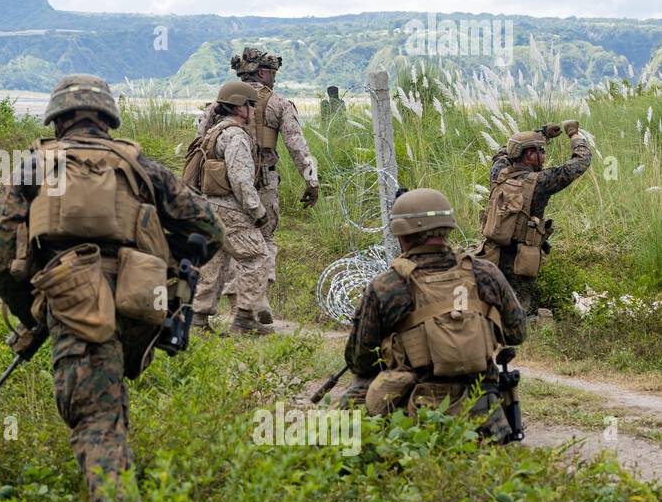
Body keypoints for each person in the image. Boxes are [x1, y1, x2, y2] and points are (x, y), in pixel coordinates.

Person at [0, 74, 223, 502]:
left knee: (94, 417)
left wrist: (33, 310)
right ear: (108, 119)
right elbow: (208, 228)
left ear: (57, 120)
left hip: (76, 304)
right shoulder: (140, 166)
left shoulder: (34, 166)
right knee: (108, 407)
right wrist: (168, 271)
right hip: (140, 302)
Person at [335, 188, 527, 441]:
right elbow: (516, 334)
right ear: (447, 226)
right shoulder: (485, 273)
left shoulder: (387, 285)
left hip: (410, 417)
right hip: (483, 417)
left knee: (357, 392)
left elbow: (359, 361)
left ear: (401, 233)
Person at [226, 45, 321, 324]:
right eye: (273, 73)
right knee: (265, 239)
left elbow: (202, 142)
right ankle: (259, 300)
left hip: (228, 185)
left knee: (234, 242)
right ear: (263, 73)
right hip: (264, 182)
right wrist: (311, 181)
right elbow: (297, 146)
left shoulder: (223, 103)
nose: (275, 79)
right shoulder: (279, 104)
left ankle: (238, 306)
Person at [478, 121, 590, 317]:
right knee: (518, 314)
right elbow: (581, 162)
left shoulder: (498, 172)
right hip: (520, 262)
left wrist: (542, 133)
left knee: (492, 305)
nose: (544, 156)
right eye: (541, 151)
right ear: (530, 155)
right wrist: (574, 135)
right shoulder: (540, 182)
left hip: (491, 255)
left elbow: (503, 151)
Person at [189, 82, 271, 334]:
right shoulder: (236, 136)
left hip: (208, 206)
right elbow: (240, 180)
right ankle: (245, 317)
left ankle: (198, 319)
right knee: (257, 257)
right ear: (238, 107)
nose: (253, 110)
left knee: (214, 261)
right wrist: (257, 211)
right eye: (250, 105)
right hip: (230, 209)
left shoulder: (214, 131)